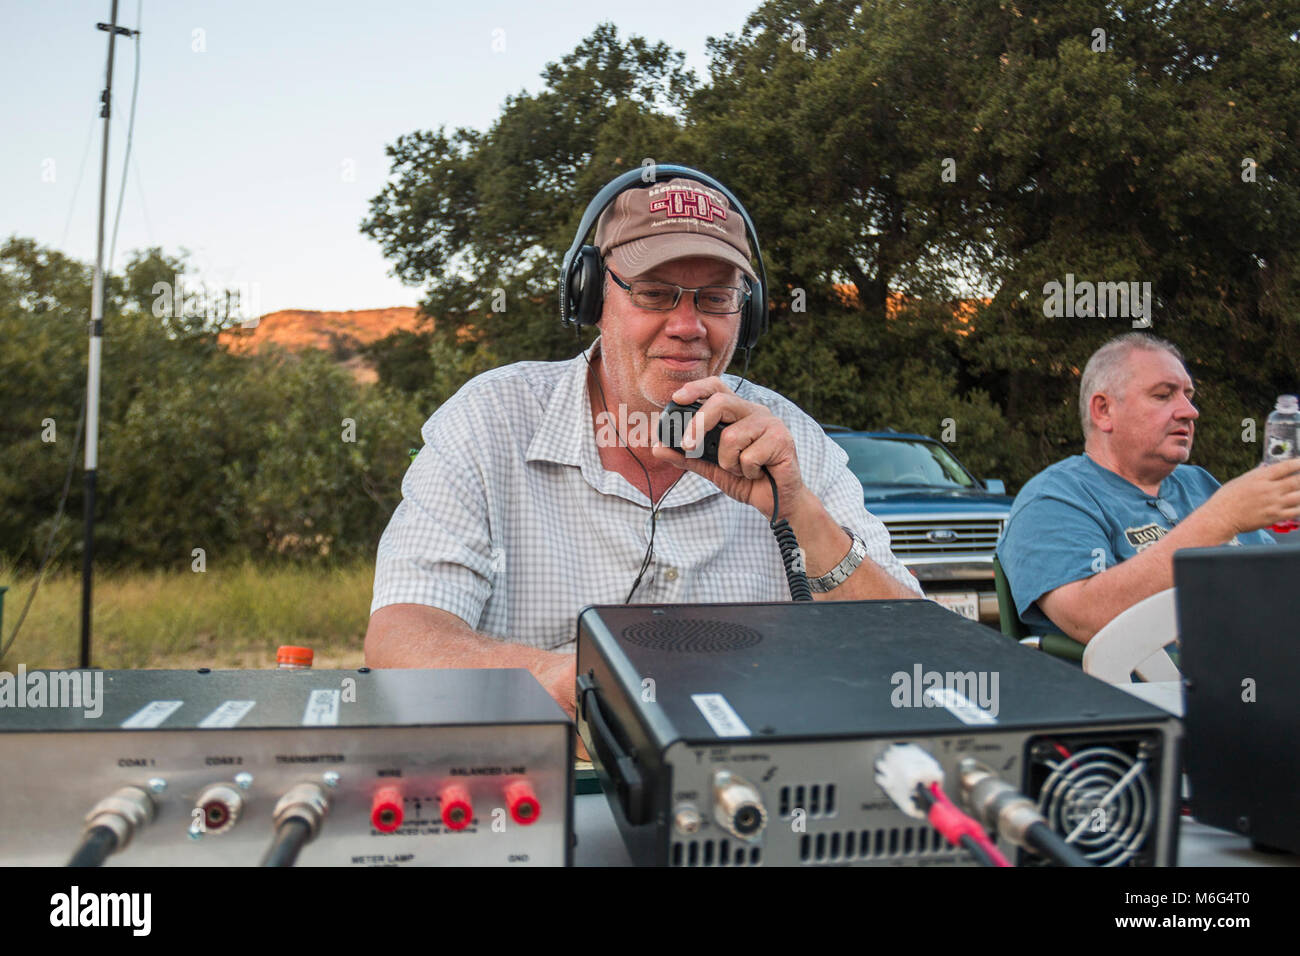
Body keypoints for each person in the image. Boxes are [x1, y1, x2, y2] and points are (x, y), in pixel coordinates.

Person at [364, 171, 922, 720]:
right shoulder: (488, 420)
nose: (687, 325)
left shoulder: (794, 439)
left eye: (714, 298)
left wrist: (802, 514)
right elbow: (402, 637)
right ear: (591, 298)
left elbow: (912, 653)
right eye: (655, 295)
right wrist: (561, 679)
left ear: (745, 314)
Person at [997, 332, 1300, 643]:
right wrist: (1220, 520)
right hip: (1141, 690)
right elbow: (1088, 616)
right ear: (1104, 410)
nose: (1189, 411)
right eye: (1163, 395)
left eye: (1188, 395)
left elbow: (1282, 588)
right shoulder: (1053, 499)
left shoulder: (1200, 484)